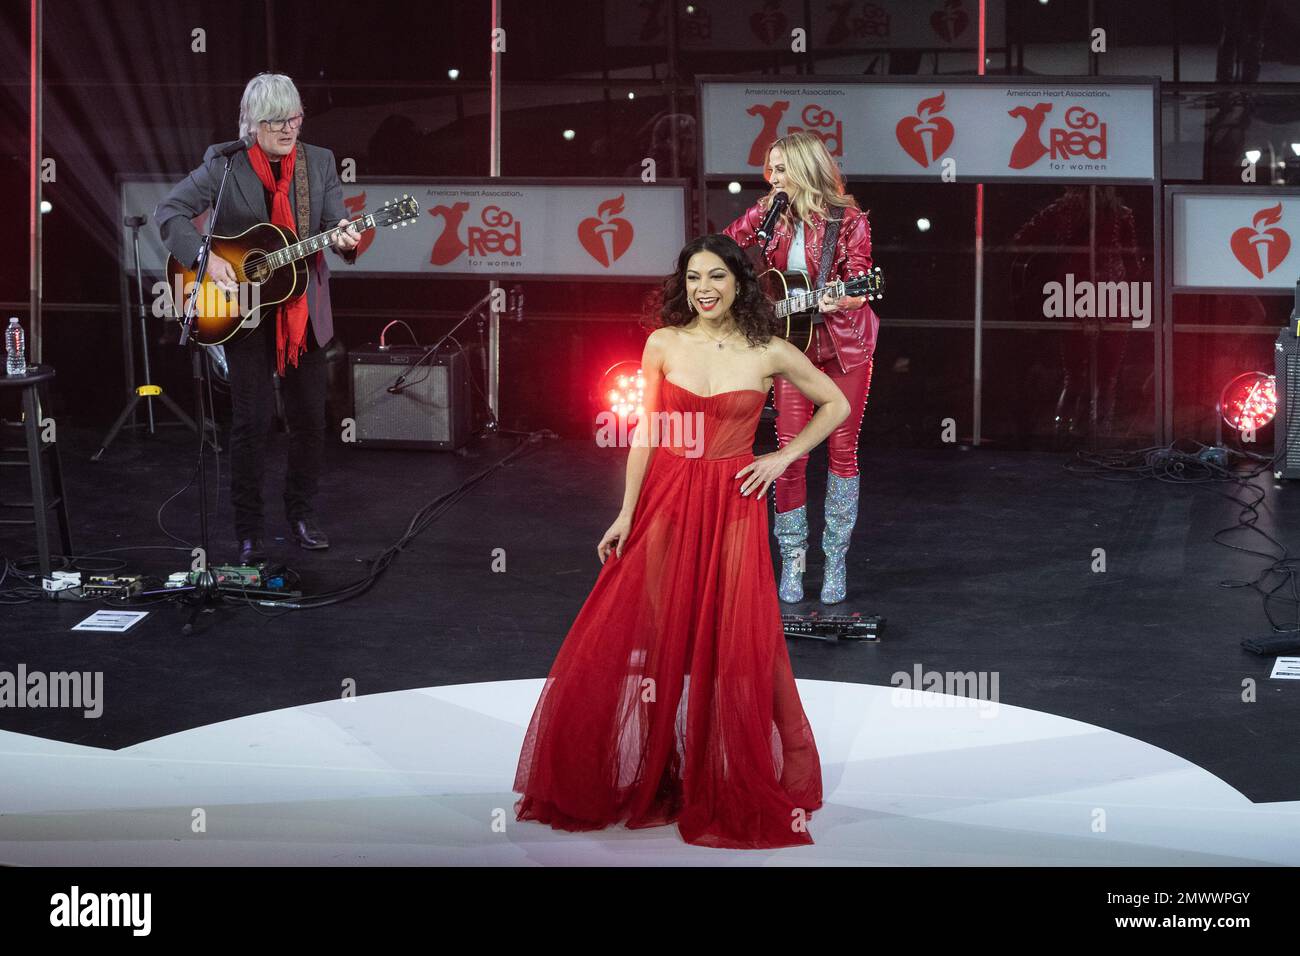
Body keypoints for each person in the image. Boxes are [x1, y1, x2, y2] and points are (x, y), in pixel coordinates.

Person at [513, 234, 849, 849]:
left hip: (735, 500)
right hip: (669, 494)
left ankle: (750, 769)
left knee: (741, 635)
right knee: (656, 632)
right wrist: (625, 512)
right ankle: (655, 770)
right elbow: (645, 433)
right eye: (694, 278)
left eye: (717, 277)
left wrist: (783, 457)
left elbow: (837, 403)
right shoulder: (662, 343)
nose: (704, 289)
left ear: (740, 283)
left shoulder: (770, 349)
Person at [155, 73, 361, 565]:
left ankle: (302, 514)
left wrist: (346, 237)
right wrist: (206, 258)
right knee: (252, 422)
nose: (289, 129)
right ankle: (248, 530)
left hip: (303, 314)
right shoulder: (224, 164)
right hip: (241, 313)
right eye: (275, 122)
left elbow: (335, 224)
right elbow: (170, 213)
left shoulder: (320, 162)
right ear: (252, 123)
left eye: (294, 118)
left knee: (310, 419)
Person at [722, 131, 878, 605]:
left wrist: (845, 295)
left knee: (842, 450)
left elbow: (860, 281)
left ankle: (835, 559)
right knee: (789, 450)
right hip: (792, 345)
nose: (773, 177)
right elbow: (724, 249)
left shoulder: (848, 220)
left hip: (844, 344)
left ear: (805, 168)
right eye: (770, 169)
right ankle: (793, 560)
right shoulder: (771, 213)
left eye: (782, 168)